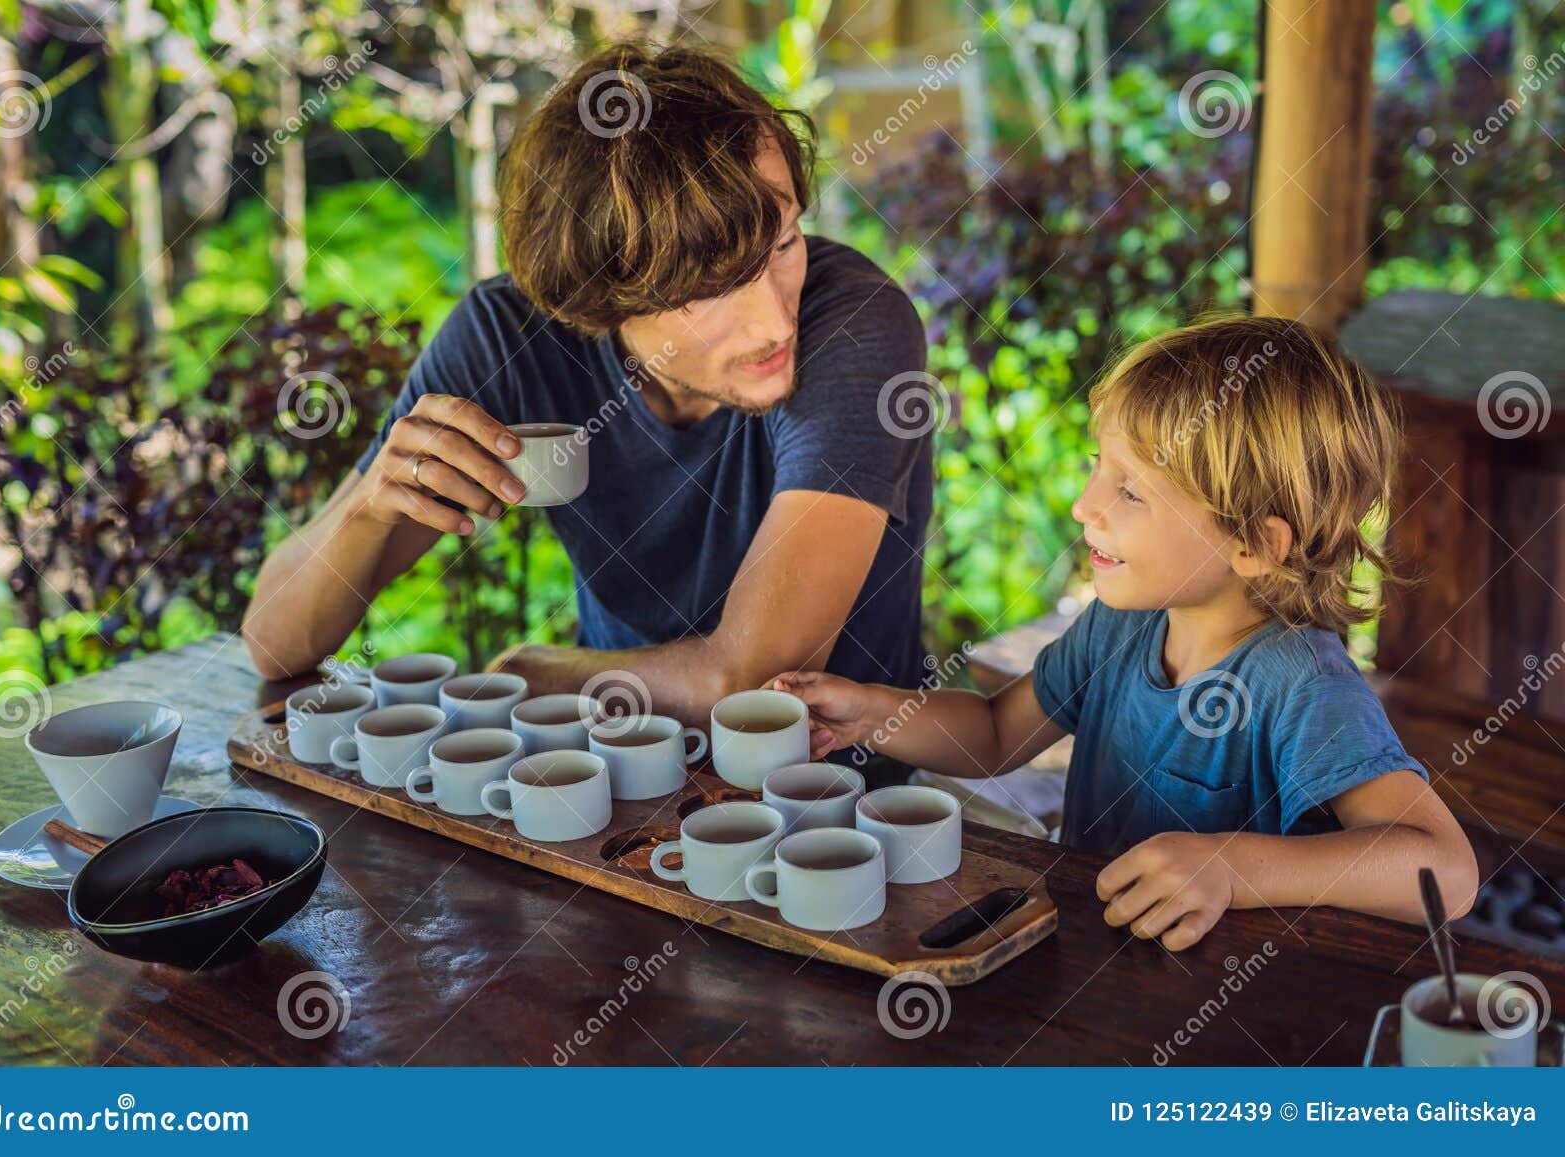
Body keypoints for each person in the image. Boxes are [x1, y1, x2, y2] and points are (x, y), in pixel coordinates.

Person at [242, 43, 932, 731]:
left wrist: (535, 674)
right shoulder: (507, 336)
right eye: (711, 287)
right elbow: (274, 643)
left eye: (782, 245)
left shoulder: (854, 322)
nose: (774, 321)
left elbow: (751, 682)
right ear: (602, 298)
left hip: (843, 807)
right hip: (608, 781)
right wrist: (370, 505)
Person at [771, 316, 1478, 950]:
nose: (1085, 506)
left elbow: (1445, 869)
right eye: (1095, 469)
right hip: (1090, 951)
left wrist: (1229, 865)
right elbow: (992, 733)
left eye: (1130, 490)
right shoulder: (1120, 626)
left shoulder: (1303, 686)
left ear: (1254, 545)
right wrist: (870, 711)